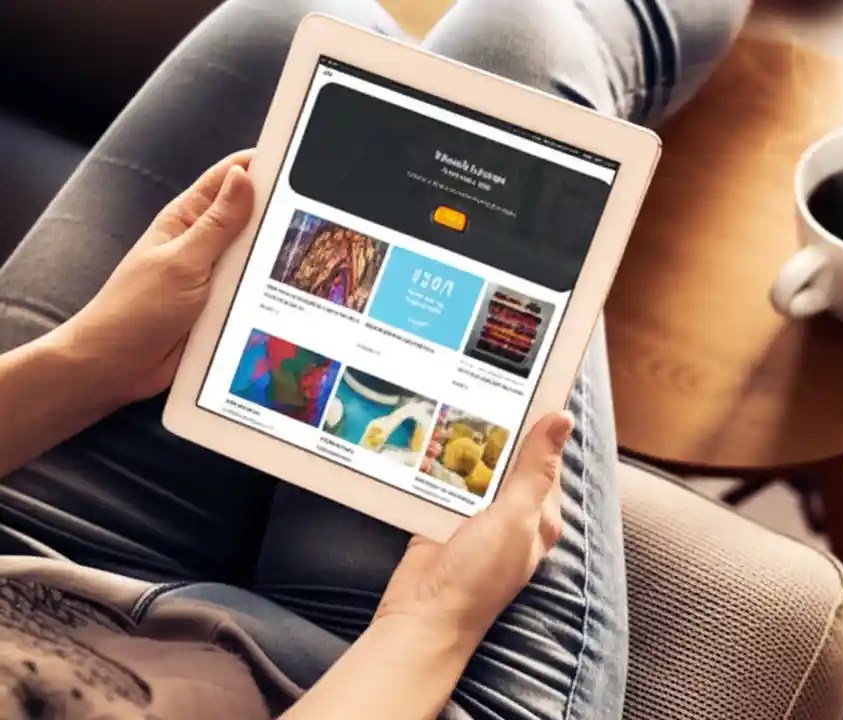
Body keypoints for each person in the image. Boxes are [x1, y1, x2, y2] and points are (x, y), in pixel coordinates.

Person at [0, 0, 749, 717]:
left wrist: (88, 357)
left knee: (295, 25)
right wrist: (434, 622)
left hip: (26, 571)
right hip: (362, 683)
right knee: (525, 34)